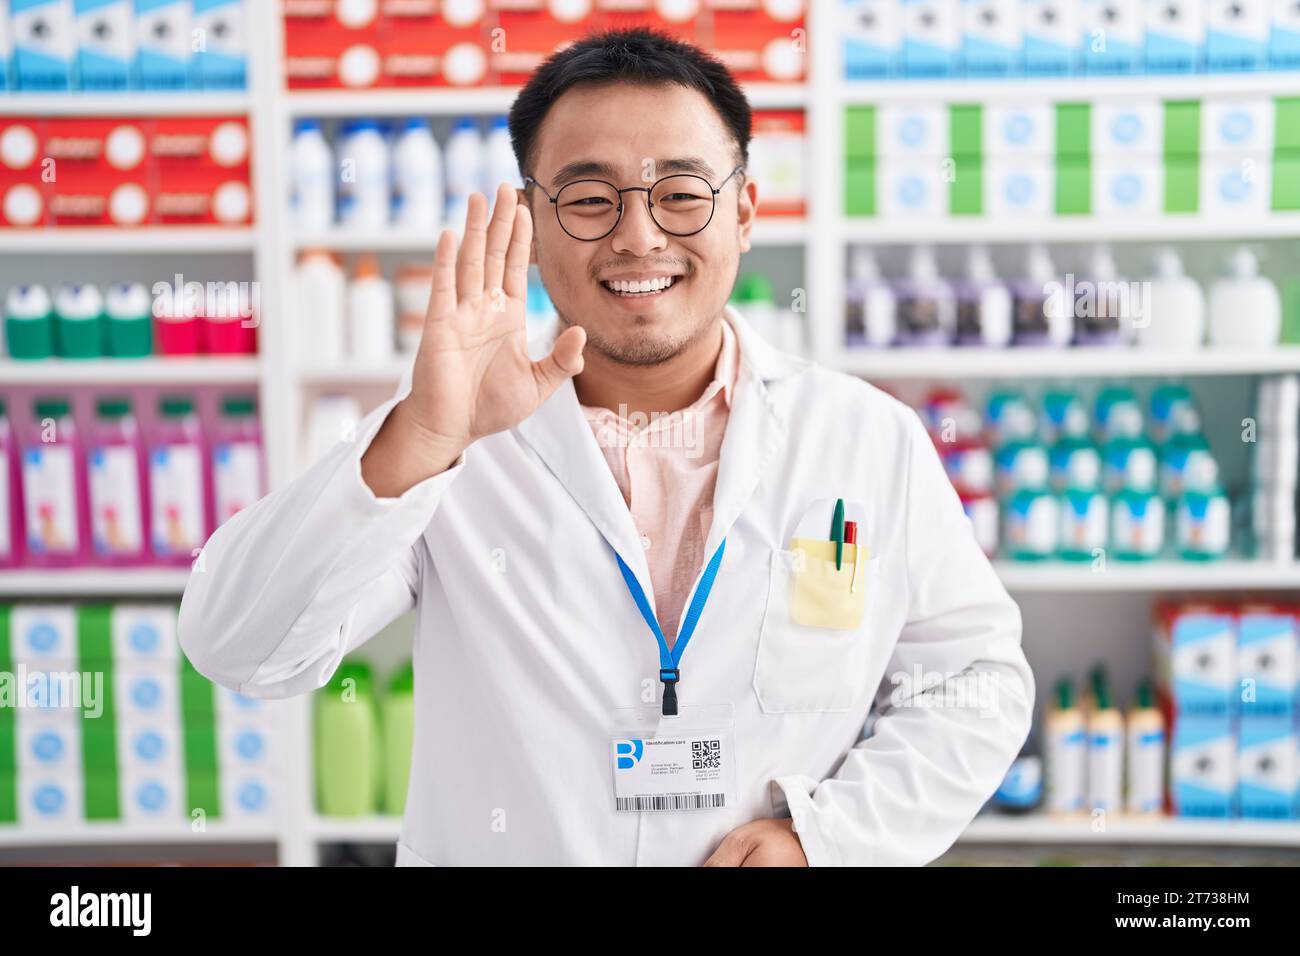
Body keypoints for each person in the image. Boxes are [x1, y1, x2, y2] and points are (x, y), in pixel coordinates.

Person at [179, 28, 1033, 866]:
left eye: (682, 193)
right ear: (532, 223)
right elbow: (238, 648)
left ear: (742, 213)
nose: (637, 237)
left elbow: (976, 684)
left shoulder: (864, 438)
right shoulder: (450, 441)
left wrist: (827, 839)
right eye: (590, 198)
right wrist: (428, 434)